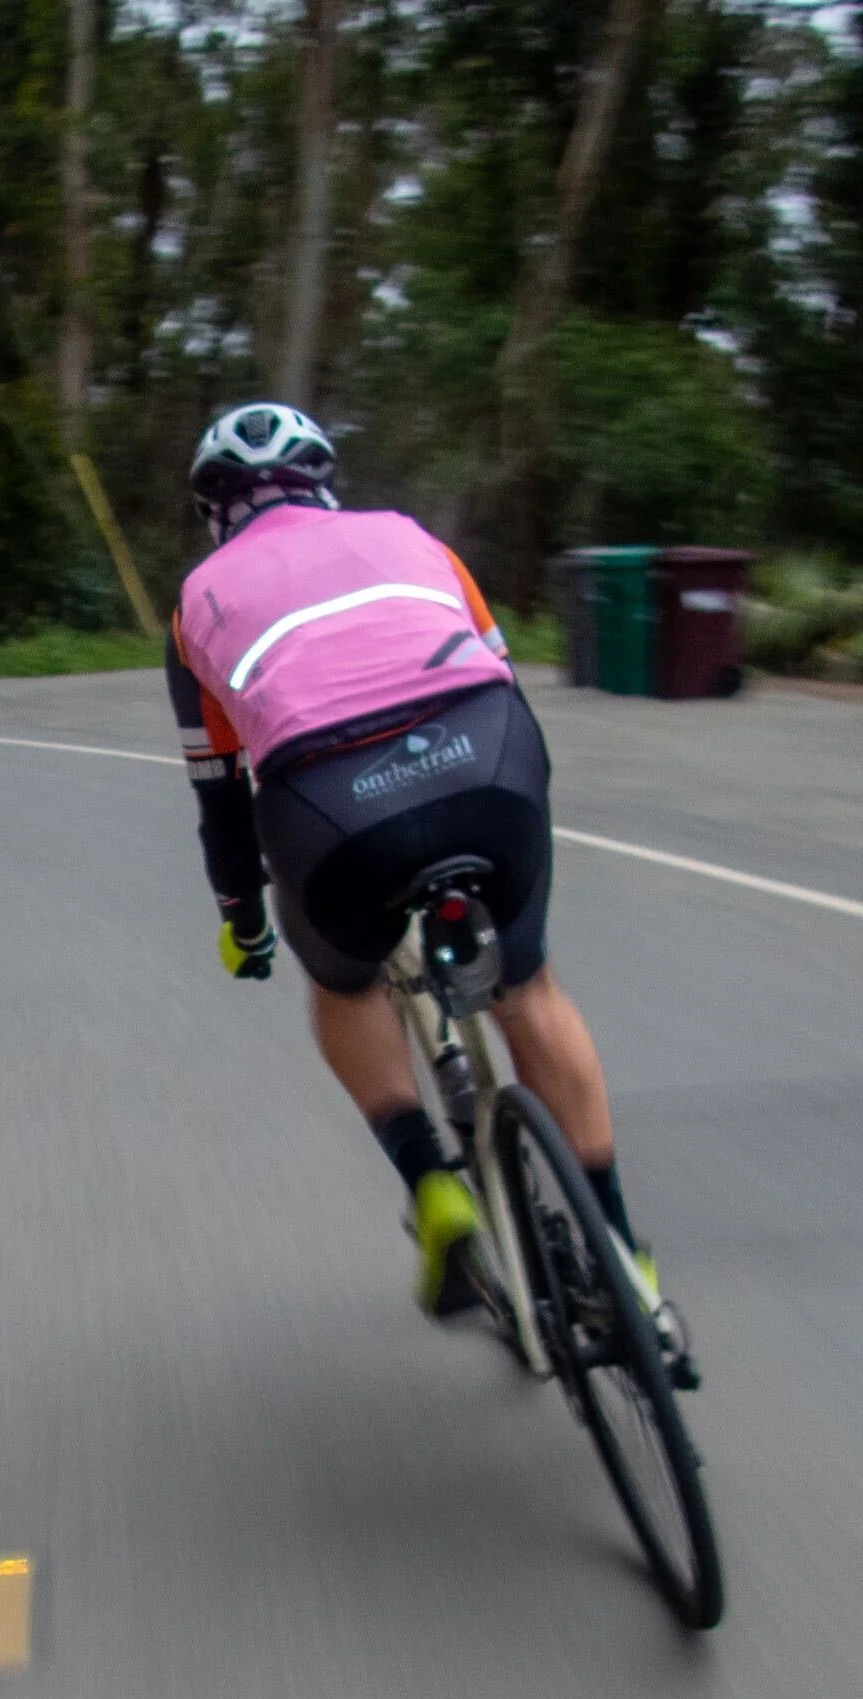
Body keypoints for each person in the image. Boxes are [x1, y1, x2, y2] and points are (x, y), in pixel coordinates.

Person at [166, 401, 655, 1318]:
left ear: (215, 513)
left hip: (330, 813)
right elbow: (500, 677)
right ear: (322, 485)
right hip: (488, 766)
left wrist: (244, 921)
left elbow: (222, 797)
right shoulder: (414, 539)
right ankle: (626, 1259)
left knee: (345, 986)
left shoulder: (198, 603)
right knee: (528, 986)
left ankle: (432, 1184)